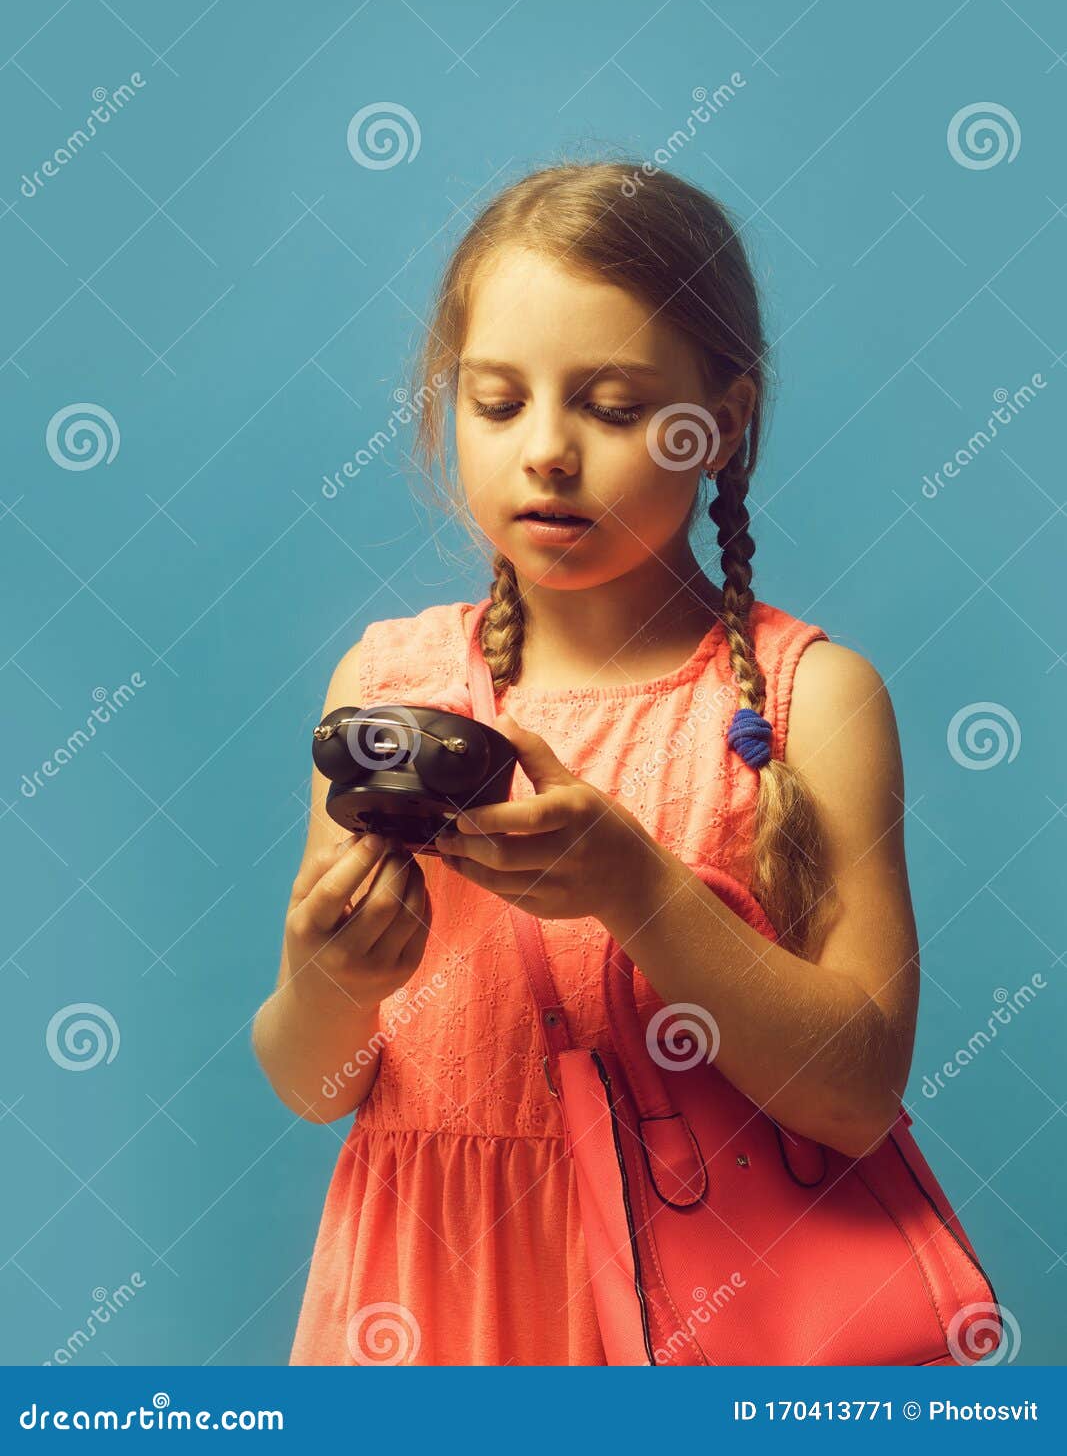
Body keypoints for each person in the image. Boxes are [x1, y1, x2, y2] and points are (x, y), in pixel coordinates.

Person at [255, 160, 920, 1366]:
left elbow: (856, 1092)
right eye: (499, 402)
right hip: (419, 1306)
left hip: (693, 1315)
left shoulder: (808, 701)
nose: (546, 451)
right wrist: (330, 977)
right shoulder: (387, 686)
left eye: (610, 408)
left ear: (721, 421)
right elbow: (311, 1083)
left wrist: (639, 889)